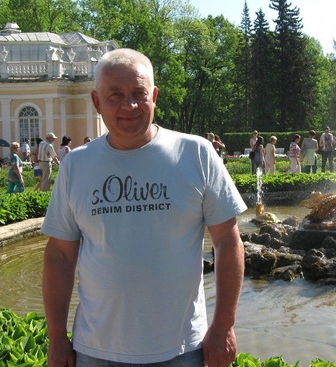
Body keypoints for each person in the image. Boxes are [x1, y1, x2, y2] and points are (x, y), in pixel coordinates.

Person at [42, 48, 247, 367]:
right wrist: (56, 337)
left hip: (181, 349)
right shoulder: (76, 166)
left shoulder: (196, 154)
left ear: (154, 96)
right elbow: (60, 256)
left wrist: (223, 325)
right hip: (96, 351)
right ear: (96, 102)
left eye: (139, 93)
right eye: (115, 95)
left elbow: (228, 242)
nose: (129, 105)